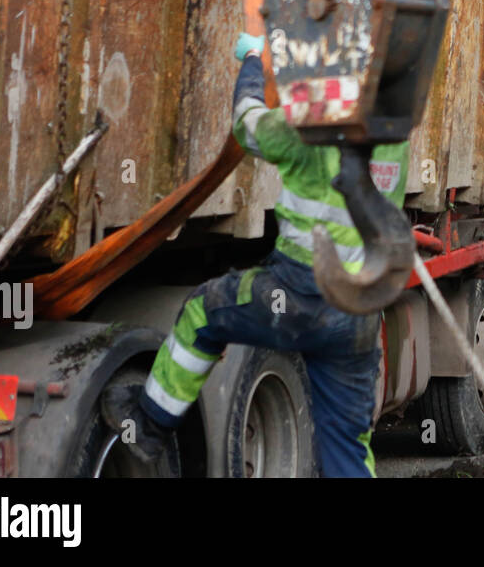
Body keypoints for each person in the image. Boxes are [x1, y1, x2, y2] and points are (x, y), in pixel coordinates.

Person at [101, 33, 410, 477]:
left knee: (203, 314)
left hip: (302, 294)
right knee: (346, 444)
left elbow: (248, 124)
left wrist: (252, 61)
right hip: (359, 314)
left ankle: (150, 421)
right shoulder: (394, 133)